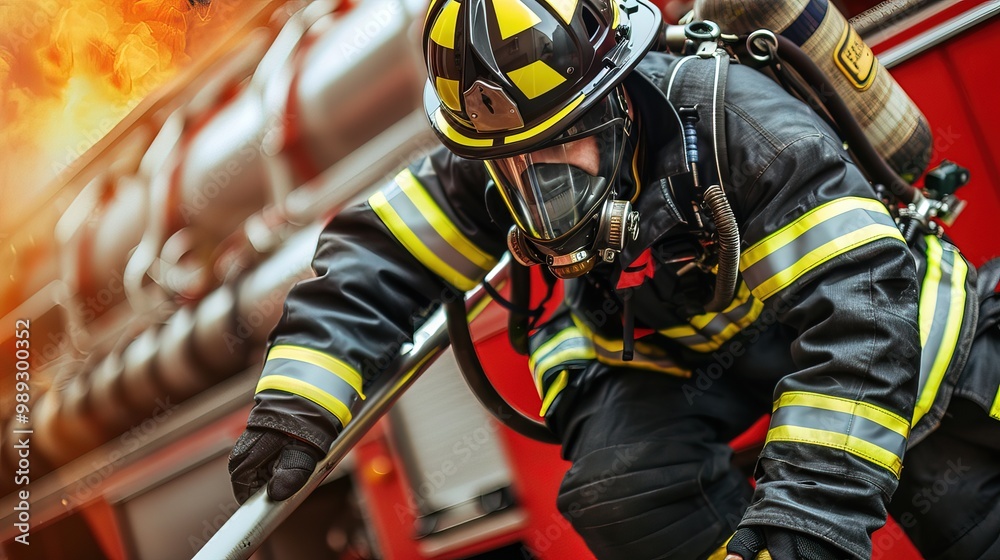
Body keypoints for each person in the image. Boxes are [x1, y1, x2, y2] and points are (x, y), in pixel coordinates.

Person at [228, 0, 1000, 558]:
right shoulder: (504, 151)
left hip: (887, 340)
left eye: (557, 146)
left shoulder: (749, 130)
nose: (533, 185)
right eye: (508, 160)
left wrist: (801, 530)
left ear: (616, 103)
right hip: (691, 352)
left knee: (958, 504)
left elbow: (865, 317)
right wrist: (299, 399)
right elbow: (379, 253)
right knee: (620, 492)